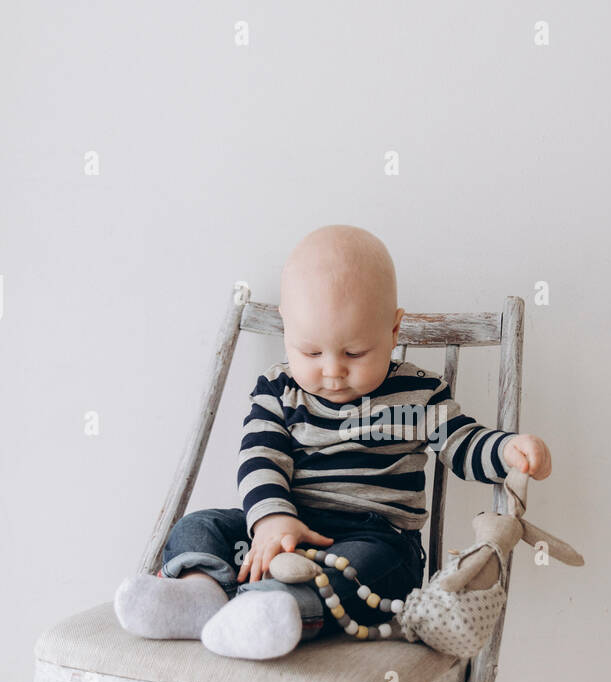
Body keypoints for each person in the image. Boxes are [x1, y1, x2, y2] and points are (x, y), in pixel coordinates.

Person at [114, 224, 551, 659]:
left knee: (368, 567)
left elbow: (462, 442)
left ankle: (279, 609)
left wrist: (506, 450)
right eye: (311, 352)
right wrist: (271, 520)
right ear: (287, 329)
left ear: (394, 330)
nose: (332, 370)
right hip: (285, 528)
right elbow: (259, 459)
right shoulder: (280, 391)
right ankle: (200, 596)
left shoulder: (417, 396)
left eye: (355, 353)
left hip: (376, 536)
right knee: (200, 525)